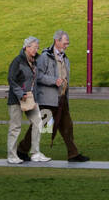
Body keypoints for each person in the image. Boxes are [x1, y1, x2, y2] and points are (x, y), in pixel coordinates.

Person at [33, 30, 89, 163]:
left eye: (68, 44)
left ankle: (73, 154)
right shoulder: (45, 57)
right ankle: (22, 150)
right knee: (39, 127)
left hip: (61, 100)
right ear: (56, 41)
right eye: (65, 43)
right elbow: (38, 76)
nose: (66, 46)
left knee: (67, 127)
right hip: (48, 100)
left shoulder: (65, 58)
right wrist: (54, 80)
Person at [7, 37, 48, 164]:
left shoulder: (35, 61)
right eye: (35, 47)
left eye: (37, 47)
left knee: (38, 122)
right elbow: (11, 79)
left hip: (30, 98)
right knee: (15, 127)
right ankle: (12, 155)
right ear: (27, 47)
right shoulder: (17, 61)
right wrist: (21, 94)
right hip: (16, 99)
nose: (37, 49)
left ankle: (35, 153)